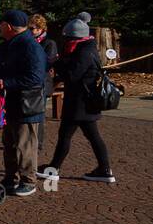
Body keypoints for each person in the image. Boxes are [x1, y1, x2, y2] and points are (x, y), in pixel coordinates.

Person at [0, 9, 47, 197]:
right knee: (9, 143)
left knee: (25, 145)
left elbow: (36, 77)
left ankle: (28, 181)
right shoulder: (10, 44)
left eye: (1, 25)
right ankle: (11, 178)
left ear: (8, 26)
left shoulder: (30, 46)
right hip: (10, 105)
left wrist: (6, 82)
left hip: (27, 105)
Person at [43, 12, 115, 183]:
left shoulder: (84, 52)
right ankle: (104, 170)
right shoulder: (87, 48)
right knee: (91, 136)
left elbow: (72, 75)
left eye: (68, 38)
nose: (65, 41)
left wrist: (57, 63)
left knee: (66, 135)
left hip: (80, 102)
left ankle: (54, 169)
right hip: (84, 101)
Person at [29, 13, 59, 157]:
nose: (31, 31)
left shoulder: (49, 43)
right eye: (29, 28)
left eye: (33, 28)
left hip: (42, 84)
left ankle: (38, 143)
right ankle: (29, 140)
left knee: (39, 114)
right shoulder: (28, 41)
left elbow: (47, 62)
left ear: (41, 28)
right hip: (30, 84)